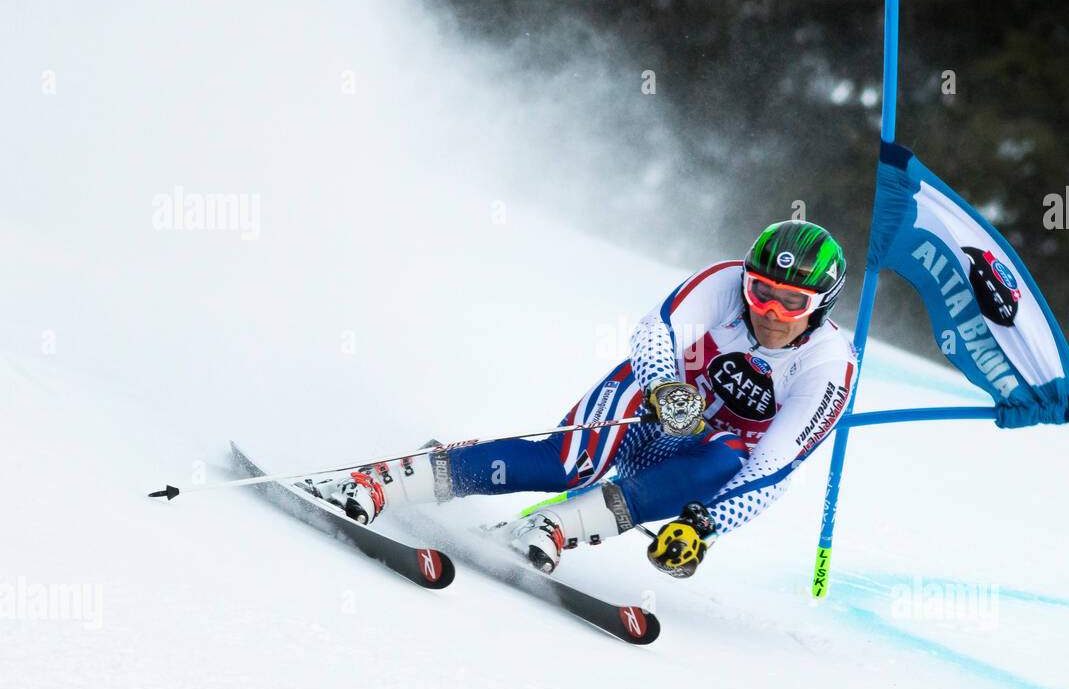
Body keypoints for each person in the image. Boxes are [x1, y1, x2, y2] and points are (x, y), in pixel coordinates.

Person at [305, 221, 857, 578]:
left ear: (820, 306)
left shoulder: (828, 367)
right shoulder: (723, 282)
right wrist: (665, 388)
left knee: (728, 457)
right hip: (655, 401)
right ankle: (383, 480)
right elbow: (654, 333)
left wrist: (704, 526)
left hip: (702, 453)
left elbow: (772, 470)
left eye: (792, 304)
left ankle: (550, 529)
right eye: (761, 292)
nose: (769, 313)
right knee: (568, 463)